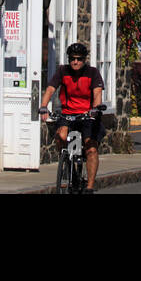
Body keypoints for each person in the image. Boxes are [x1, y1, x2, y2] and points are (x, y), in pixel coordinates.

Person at [39, 42, 105, 192]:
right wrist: (43, 107)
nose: (75, 62)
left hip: (88, 115)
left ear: (84, 60)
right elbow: (50, 89)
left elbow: (97, 93)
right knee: (60, 136)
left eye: (79, 59)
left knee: (91, 148)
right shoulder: (63, 71)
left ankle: (89, 187)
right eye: (72, 59)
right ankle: (68, 163)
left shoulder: (92, 73)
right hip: (68, 113)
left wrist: (95, 110)